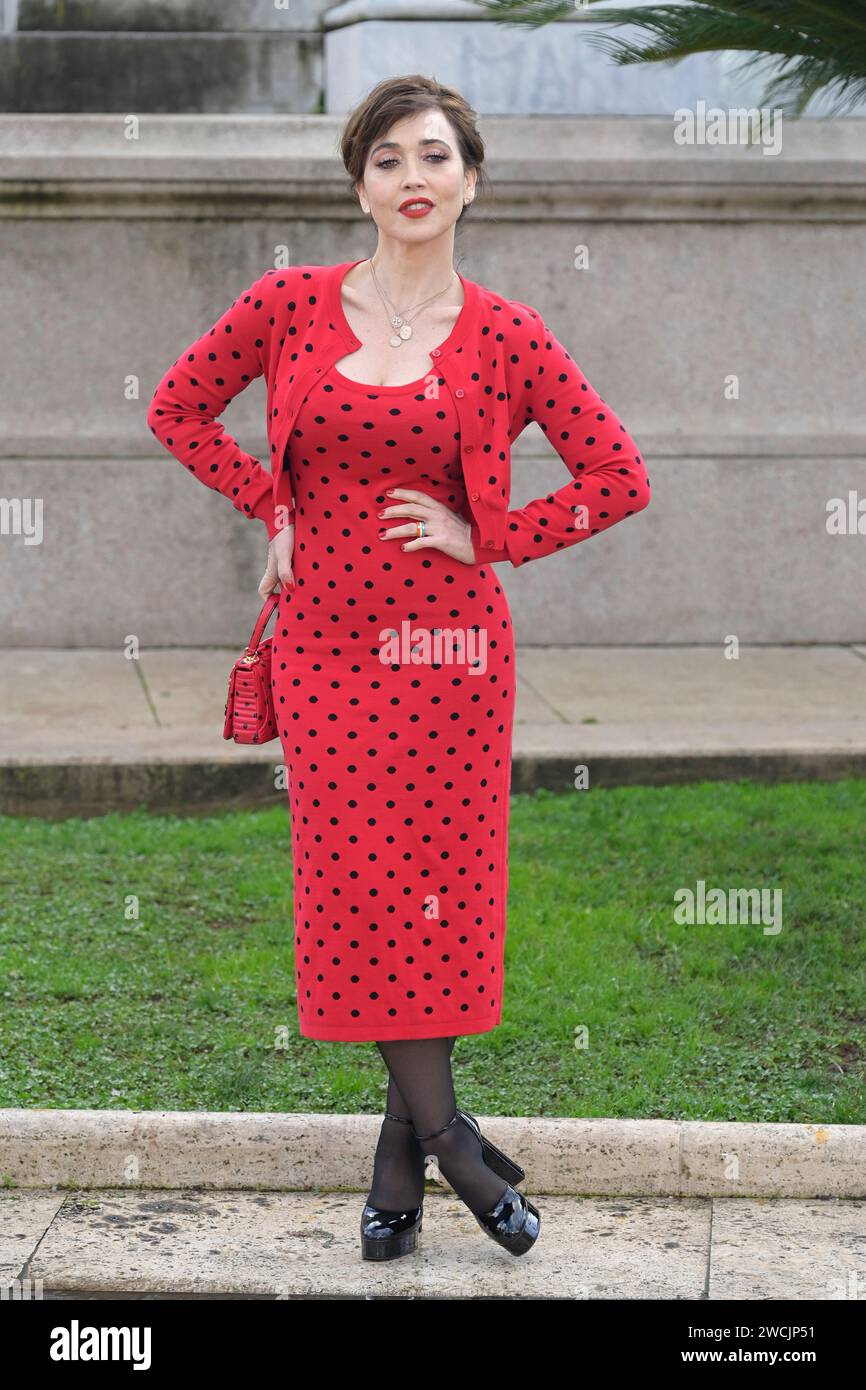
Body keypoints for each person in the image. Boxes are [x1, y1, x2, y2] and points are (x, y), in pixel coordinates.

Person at [146, 73, 651, 1262]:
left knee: (437, 896)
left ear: (470, 179)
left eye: (433, 157)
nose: (411, 179)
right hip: (326, 650)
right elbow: (177, 409)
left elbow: (617, 477)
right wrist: (267, 503)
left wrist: (496, 535)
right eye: (386, 160)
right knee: (361, 889)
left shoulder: (510, 334)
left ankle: (399, 1157)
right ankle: (454, 1146)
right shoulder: (286, 305)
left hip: (453, 662)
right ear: (358, 183)